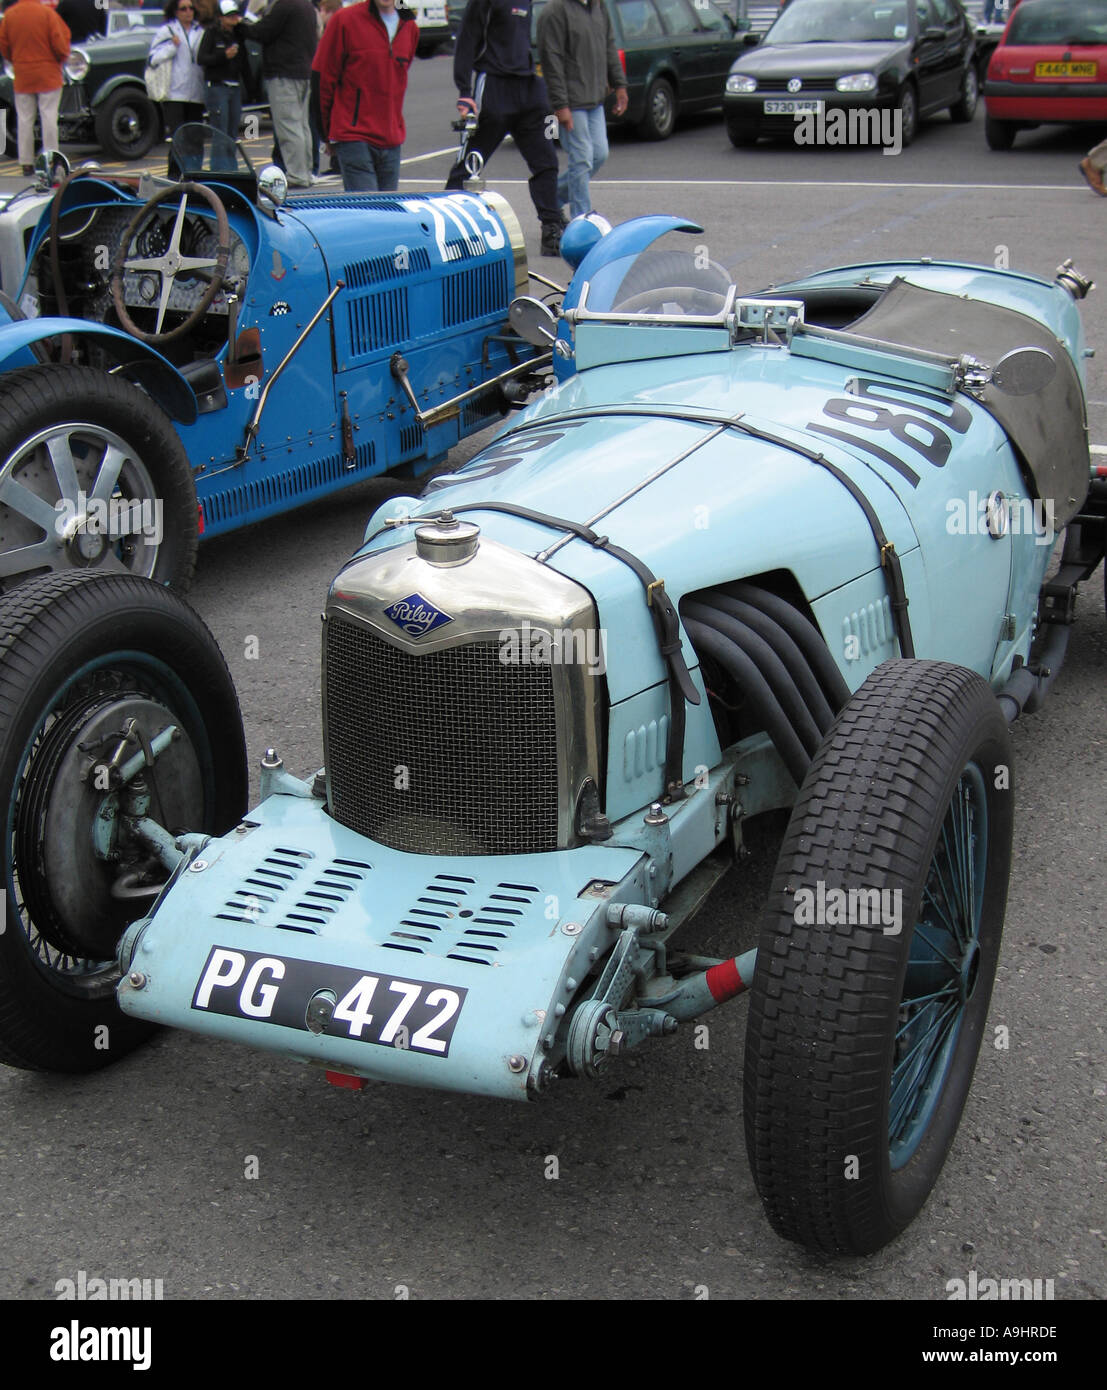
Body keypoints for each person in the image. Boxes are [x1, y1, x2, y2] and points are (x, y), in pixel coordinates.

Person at [445, 0, 563, 256]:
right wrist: (465, 91)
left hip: (528, 88)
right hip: (494, 88)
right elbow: (467, 39)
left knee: (546, 160)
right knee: (470, 164)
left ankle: (552, 227)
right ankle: (443, 223)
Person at [312, 0, 418, 193]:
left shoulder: (410, 26)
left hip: (391, 139)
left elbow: (397, 81)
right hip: (354, 136)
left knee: (388, 213)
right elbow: (322, 78)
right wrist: (326, 133)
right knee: (368, 212)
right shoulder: (344, 20)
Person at [536, 0, 627, 223]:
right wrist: (560, 105)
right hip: (570, 100)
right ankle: (582, 220)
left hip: (594, 98)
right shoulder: (555, 10)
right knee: (582, 158)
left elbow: (609, 46)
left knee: (599, 154)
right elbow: (551, 60)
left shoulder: (598, 6)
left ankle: (551, 197)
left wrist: (619, 85)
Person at [247, 0, 317, 188]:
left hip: (284, 73)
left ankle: (296, 174)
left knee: (289, 127)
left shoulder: (284, 5)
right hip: (303, 71)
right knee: (302, 126)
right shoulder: (306, 5)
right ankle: (306, 172)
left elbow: (262, 32)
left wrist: (242, 25)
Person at [0, 0, 71, 176]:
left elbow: (4, 46)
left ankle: (26, 162)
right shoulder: (47, 14)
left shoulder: (10, 16)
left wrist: (16, 59)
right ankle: (52, 159)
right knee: (48, 117)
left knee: (24, 119)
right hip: (48, 74)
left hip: (23, 74)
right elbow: (60, 44)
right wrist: (61, 58)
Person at [149, 0, 206, 150]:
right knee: (178, 140)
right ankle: (174, 173)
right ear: (175, 12)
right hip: (174, 94)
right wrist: (172, 47)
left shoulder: (200, 31)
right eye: (183, 9)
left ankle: (195, 172)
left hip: (196, 93)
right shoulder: (167, 31)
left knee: (195, 140)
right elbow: (153, 59)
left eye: (191, 8)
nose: (188, 12)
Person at [198, 0, 245, 165]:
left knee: (233, 131)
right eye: (229, 15)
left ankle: (231, 169)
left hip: (235, 87)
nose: (233, 18)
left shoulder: (239, 33)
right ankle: (218, 170)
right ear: (220, 17)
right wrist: (224, 56)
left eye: (235, 14)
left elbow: (245, 62)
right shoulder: (211, 33)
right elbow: (201, 58)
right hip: (217, 86)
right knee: (220, 131)